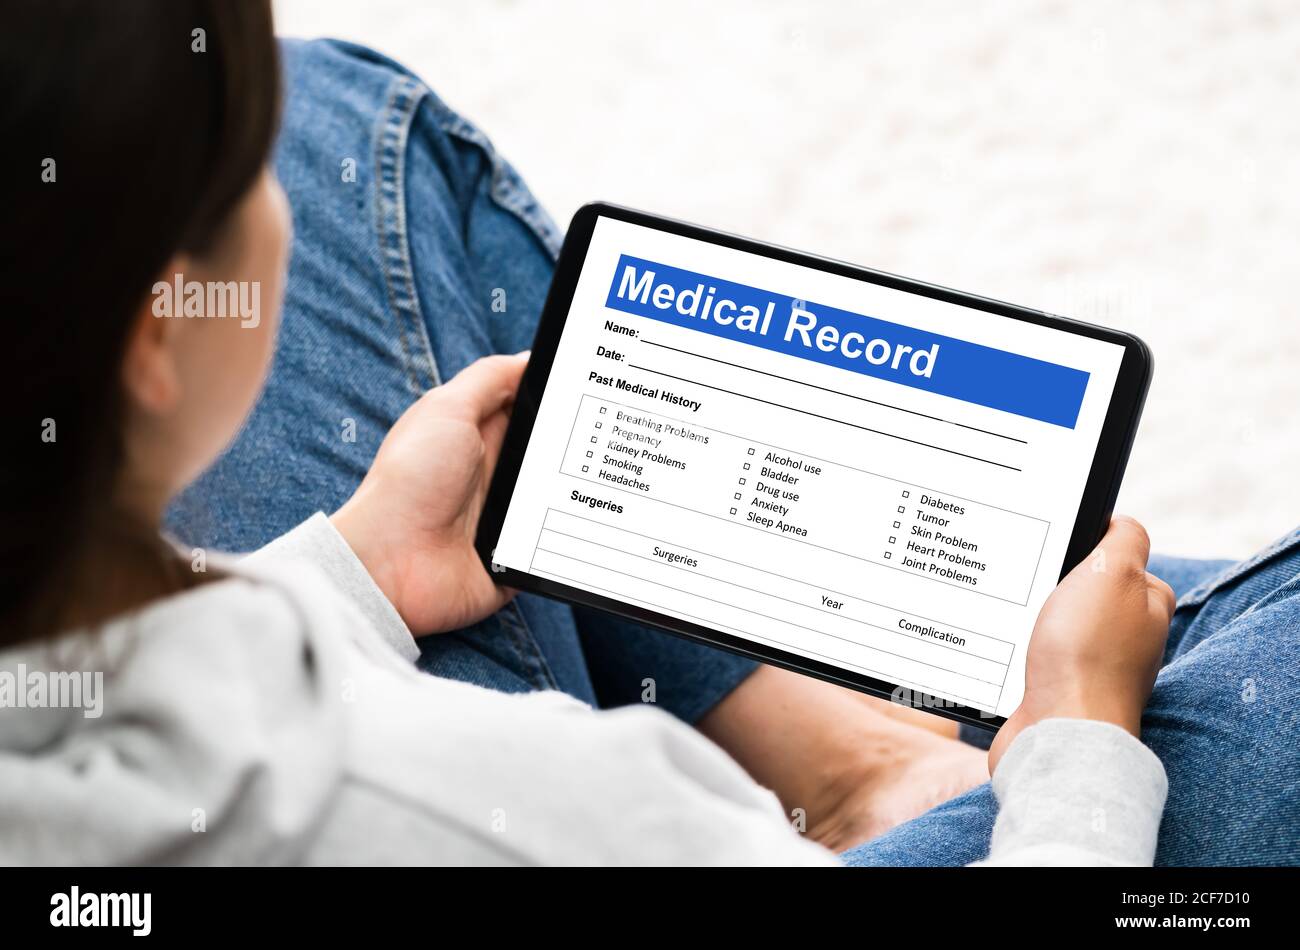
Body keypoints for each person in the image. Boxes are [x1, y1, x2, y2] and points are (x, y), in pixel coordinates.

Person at [2, 1, 1292, 865]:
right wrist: (1079, 742)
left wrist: (353, 578)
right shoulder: (581, 808)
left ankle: (842, 749)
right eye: (233, 180)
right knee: (1231, 643)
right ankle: (861, 785)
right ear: (161, 336)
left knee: (319, 107)